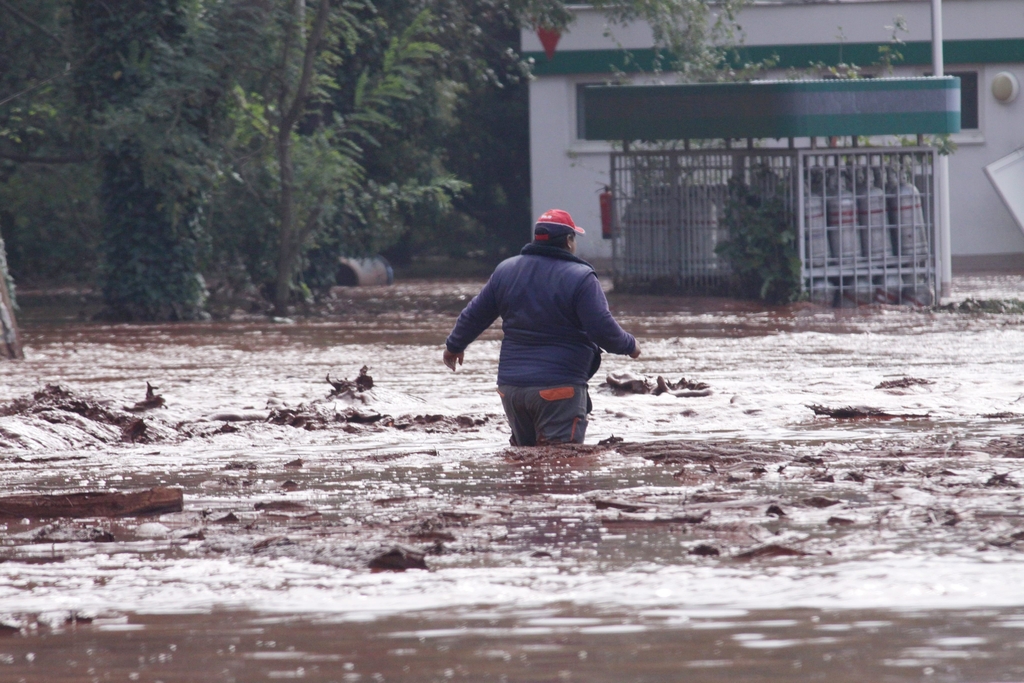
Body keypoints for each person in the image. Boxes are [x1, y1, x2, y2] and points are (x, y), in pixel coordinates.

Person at [443, 209, 641, 446]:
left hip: (512, 390)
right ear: (568, 241)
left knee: (525, 466)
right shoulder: (581, 277)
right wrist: (630, 345)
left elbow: (474, 315)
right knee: (561, 467)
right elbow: (601, 329)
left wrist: (454, 346)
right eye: (574, 238)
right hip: (558, 389)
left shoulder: (506, 270)